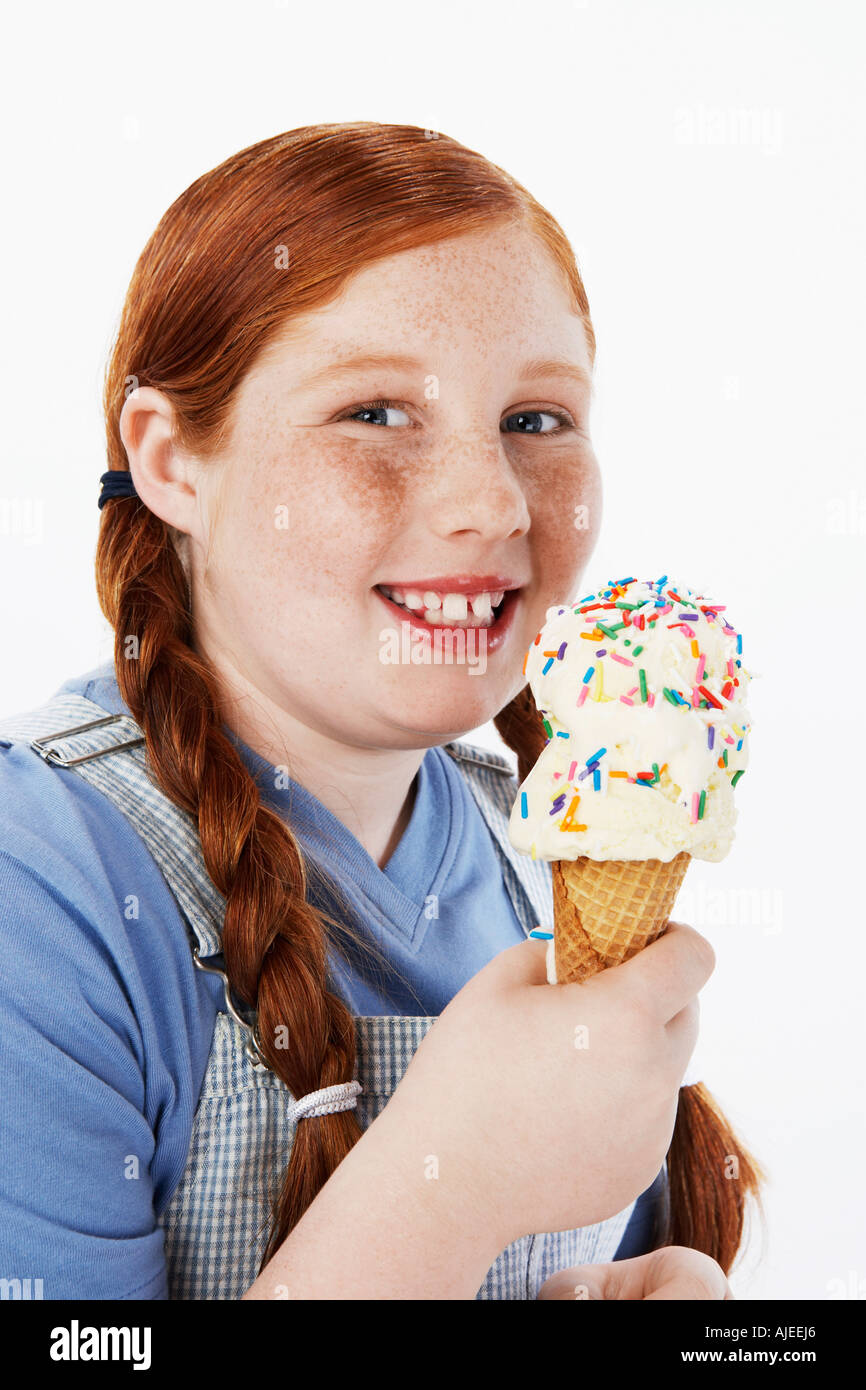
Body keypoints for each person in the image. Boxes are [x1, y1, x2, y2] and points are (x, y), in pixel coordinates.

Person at [0, 122, 760, 1300]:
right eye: (374, 412)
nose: (488, 502)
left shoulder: (539, 842)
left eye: (535, 419)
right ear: (169, 458)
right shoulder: (38, 891)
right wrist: (447, 1184)